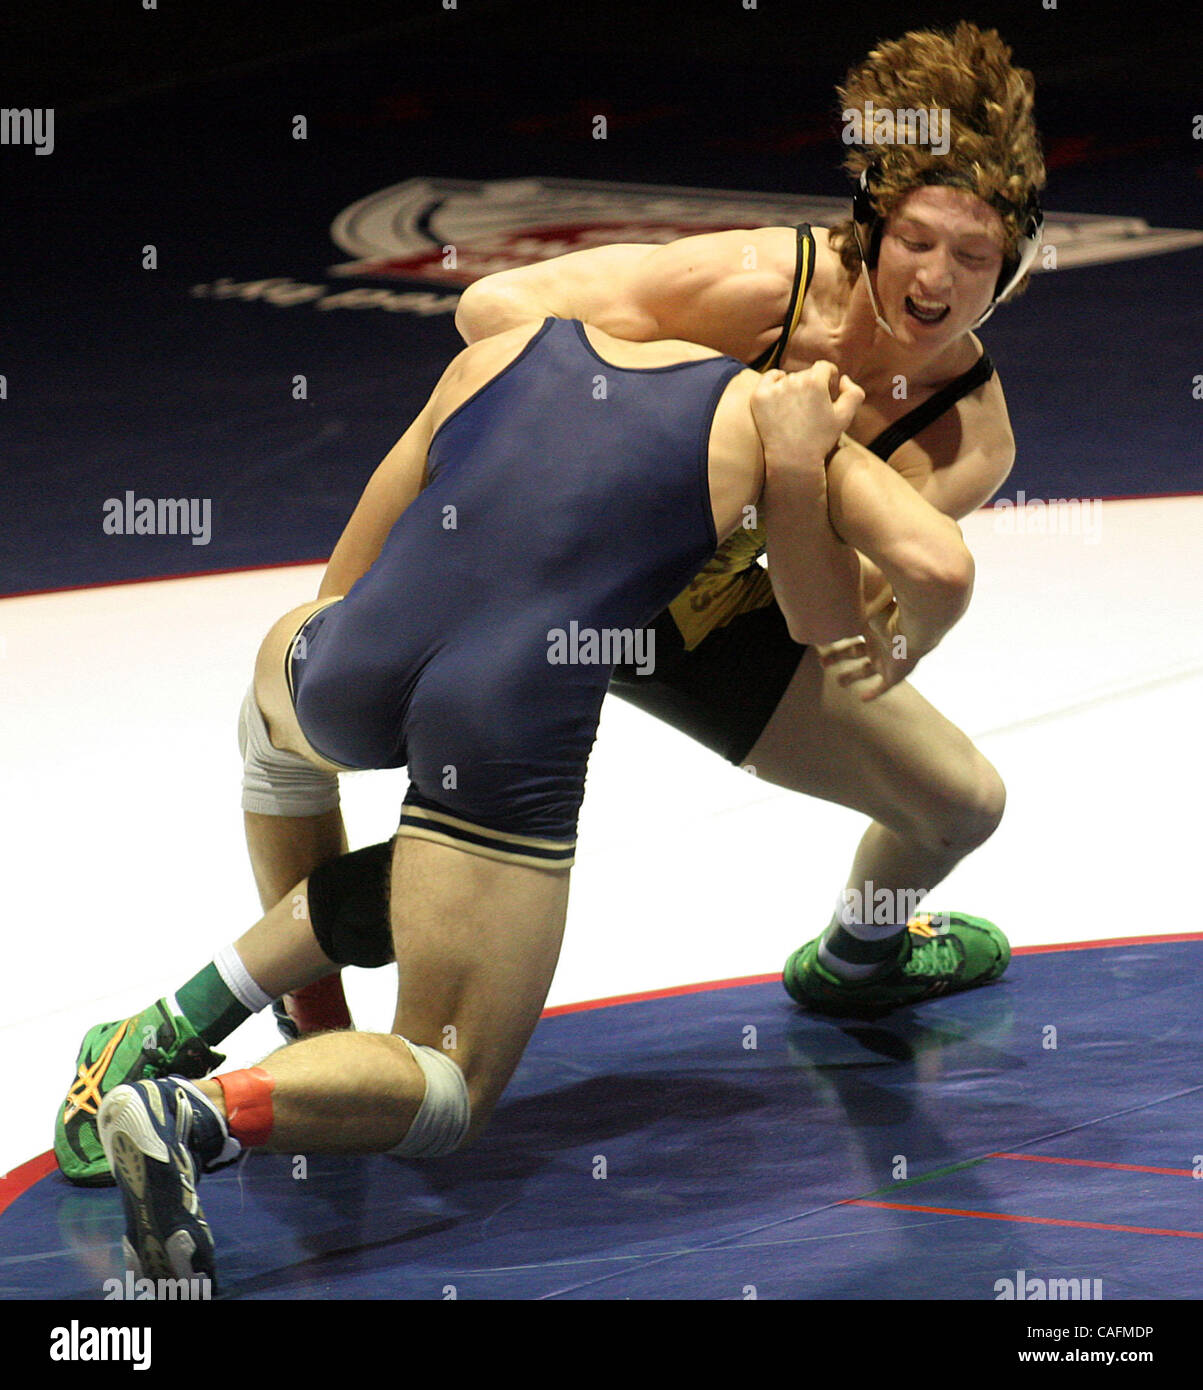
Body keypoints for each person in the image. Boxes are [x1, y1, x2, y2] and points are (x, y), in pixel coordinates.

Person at [83, 316, 988, 1285]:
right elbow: (915, 575)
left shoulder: (506, 349)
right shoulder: (777, 427)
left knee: (276, 740)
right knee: (445, 1084)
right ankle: (202, 1114)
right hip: (504, 714)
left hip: (350, 658)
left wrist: (355, 671)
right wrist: (840, 532)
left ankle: (304, 1010)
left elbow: (353, 566)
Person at [260, 20, 1044, 1037]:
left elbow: (829, 612)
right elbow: (497, 310)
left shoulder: (969, 441)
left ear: (1016, 267)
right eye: (918, 241)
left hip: (703, 615)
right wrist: (692, 418)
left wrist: (807, 480)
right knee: (323, 714)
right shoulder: (763, 284)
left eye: (975, 256)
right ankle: (304, 998)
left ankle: (861, 959)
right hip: (558, 556)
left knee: (960, 803)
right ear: (871, 226)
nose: (937, 279)